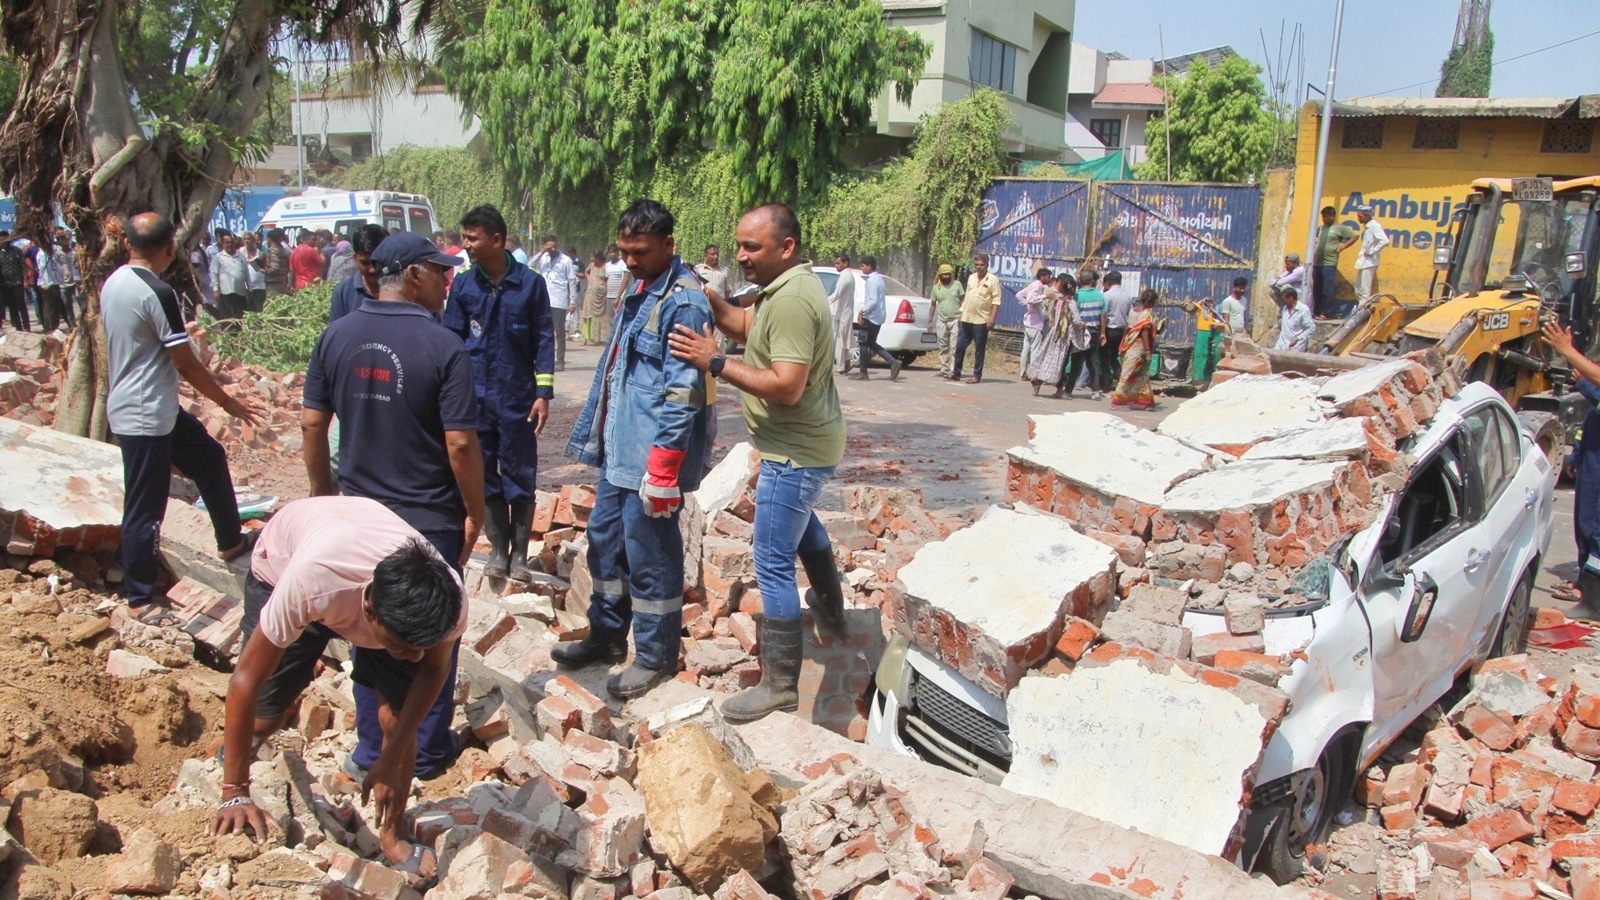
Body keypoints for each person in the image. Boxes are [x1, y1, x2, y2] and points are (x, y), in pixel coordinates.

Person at [210, 496, 465, 890]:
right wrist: (234, 792)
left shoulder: (445, 600)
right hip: (285, 563)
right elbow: (245, 678)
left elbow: (432, 668)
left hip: (360, 565)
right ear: (370, 611)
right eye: (402, 646)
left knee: (397, 723)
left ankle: (392, 836)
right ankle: (236, 762)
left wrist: (391, 756)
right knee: (264, 716)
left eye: (420, 646)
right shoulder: (309, 581)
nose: (413, 656)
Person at [667, 202, 845, 723]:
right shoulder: (784, 288)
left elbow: (787, 386)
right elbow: (748, 325)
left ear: (786, 247)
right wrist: (709, 298)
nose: (742, 256)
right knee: (800, 525)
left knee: (771, 560)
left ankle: (780, 686)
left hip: (795, 451)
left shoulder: (790, 301)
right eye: (739, 246)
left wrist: (714, 361)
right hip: (805, 444)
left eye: (753, 247)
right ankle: (831, 607)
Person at [555, 200, 713, 700]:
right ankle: (606, 636)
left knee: (651, 558)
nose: (629, 260)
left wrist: (664, 470)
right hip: (620, 451)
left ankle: (655, 656)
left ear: (669, 244)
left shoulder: (684, 303)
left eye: (640, 252)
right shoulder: (640, 286)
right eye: (624, 251)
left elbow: (683, 393)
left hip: (651, 460)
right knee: (605, 543)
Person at [103, 213, 257, 624]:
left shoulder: (114, 282)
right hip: (146, 415)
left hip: (153, 407)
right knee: (145, 507)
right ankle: (140, 598)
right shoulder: (157, 293)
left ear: (127, 245)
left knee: (209, 457)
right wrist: (227, 402)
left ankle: (230, 540)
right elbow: (184, 362)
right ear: (171, 248)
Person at [441, 207, 556, 583]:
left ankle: (519, 554)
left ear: (496, 240)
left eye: (472, 238)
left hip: (517, 397)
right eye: (464, 237)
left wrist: (543, 392)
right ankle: (498, 551)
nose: (466, 244)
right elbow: (452, 340)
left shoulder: (530, 284)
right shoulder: (463, 285)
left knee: (520, 471)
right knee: (484, 471)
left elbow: (544, 338)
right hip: (473, 398)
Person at [1542, 321, 1600, 621]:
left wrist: (1568, 352)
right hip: (1593, 456)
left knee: (1597, 530)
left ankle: (1594, 602)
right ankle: (1587, 587)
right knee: (1587, 523)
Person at [953, 252, 1001, 384]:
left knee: (979, 349)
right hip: (966, 318)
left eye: (981, 265)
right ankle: (956, 373)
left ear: (987, 265)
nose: (979, 267)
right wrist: (961, 314)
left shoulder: (992, 280)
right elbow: (967, 297)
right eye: (977, 265)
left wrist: (992, 318)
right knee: (960, 346)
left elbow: (996, 300)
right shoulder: (971, 278)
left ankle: (976, 375)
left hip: (981, 320)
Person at [532, 236, 577, 371]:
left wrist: (572, 302)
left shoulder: (565, 260)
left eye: (553, 246)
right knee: (544, 331)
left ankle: (560, 361)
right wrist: (541, 252)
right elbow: (530, 265)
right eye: (548, 246)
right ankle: (545, 359)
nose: (551, 249)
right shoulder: (543, 257)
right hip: (543, 299)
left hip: (559, 300)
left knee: (559, 332)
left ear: (558, 245)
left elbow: (572, 281)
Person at [852, 256, 900, 381]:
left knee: (863, 343)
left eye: (863, 266)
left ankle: (863, 372)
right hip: (878, 316)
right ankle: (892, 361)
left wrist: (862, 311)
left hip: (871, 317)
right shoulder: (878, 278)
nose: (861, 268)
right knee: (871, 343)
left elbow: (873, 300)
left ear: (869, 266)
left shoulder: (872, 281)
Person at [329, 225, 389, 324]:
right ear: (355, 258)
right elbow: (337, 330)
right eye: (365, 263)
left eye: (378, 262)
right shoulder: (343, 292)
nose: (372, 270)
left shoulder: (403, 288)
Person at [1111, 288, 1158, 410]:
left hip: (1129, 345)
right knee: (1129, 374)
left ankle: (1145, 400)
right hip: (1138, 347)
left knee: (1141, 373)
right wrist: (1148, 352)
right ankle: (1117, 401)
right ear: (1153, 301)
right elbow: (1144, 333)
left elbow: (1128, 328)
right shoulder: (1147, 314)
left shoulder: (1133, 311)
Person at [1025, 273, 1072, 397]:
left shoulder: (1059, 296)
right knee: (1054, 358)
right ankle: (1050, 383)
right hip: (1052, 329)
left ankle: (1039, 380)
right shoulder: (1050, 293)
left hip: (1053, 328)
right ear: (1059, 281)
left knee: (1047, 356)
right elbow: (1042, 309)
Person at [1313, 206, 1358, 319]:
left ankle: (1326, 313)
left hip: (1329, 263)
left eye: (1326, 216)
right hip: (1318, 263)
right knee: (1317, 288)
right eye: (1323, 217)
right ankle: (1316, 311)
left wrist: (1343, 247)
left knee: (1327, 289)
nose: (1324, 219)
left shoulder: (1339, 228)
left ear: (1332, 216)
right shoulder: (1321, 228)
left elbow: (1354, 237)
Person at [1072, 269, 1108, 399]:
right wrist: (1103, 333)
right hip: (1094, 332)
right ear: (1092, 281)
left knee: (1076, 361)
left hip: (1080, 332)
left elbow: (1074, 315)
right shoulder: (1101, 296)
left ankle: (1068, 389)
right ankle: (1096, 391)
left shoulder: (1077, 296)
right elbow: (1103, 316)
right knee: (1092, 361)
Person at [1016, 268, 1054, 382]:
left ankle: (1023, 372)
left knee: (1026, 348)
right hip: (1035, 322)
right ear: (1042, 277)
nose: (1049, 279)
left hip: (1029, 321)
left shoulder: (1034, 285)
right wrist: (1044, 297)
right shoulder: (1037, 286)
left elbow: (1019, 295)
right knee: (1035, 349)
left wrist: (1029, 306)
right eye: (1048, 277)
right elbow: (1031, 299)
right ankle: (1033, 374)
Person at [928, 264, 963, 380]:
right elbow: (933, 305)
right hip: (942, 320)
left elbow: (963, 301)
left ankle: (953, 370)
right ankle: (944, 369)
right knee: (943, 346)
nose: (947, 276)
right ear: (940, 275)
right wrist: (930, 321)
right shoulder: (936, 288)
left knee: (954, 347)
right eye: (944, 274)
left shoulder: (957, 285)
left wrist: (962, 316)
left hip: (955, 320)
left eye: (948, 274)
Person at [1099, 271, 1133, 393]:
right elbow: (1130, 315)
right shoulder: (1127, 296)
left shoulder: (1107, 296)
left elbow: (1103, 315)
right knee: (1114, 358)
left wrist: (1102, 333)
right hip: (1121, 331)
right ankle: (1123, 382)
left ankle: (1106, 387)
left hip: (1109, 330)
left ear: (1108, 282)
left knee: (1105, 360)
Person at [826, 255, 858, 375]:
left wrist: (823, 301)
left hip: (842, 313)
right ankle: (845, 364)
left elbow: (836, 294)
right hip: (844, 312)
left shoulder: (845, 277)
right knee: (844, 340)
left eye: (838, 263)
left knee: (840, 341)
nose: (836, 265)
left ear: (845, 263)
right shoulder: (847, 276)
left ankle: (840, 367)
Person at [1354, 204, 1389, 308]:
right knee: (1358, 289)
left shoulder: (1374, 226)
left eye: (1360, 216)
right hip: (1363, 261)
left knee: (1365, 292)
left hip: (1369, 262)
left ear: (1367, 215)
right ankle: (1361, 308)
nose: (1358, 218)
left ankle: (1361, 311)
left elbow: (1385, 241)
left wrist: (1372, 251)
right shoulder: (1368, 227)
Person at [210, 232, 249, 324]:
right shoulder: (219, 257)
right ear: (223, 244)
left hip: (240, 292)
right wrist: (215, 290)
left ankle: (239, 331)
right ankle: (228, 331)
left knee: (240, 317)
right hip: (225, 292)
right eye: (227, 242)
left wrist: (249, 288)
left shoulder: (241, 257)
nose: (229, 244)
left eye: (231, 242)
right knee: (226, 318)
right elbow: (214, 274)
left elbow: (247, 274)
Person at [34, 236, 67, 332]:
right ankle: (49, 327)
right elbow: (44, 270)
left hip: (54, 281)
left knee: (56, 305)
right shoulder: (42, 254)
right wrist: (46, 284)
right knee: (49, 306)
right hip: (47, 283)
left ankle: (54, 326)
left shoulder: (52, 252)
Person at [1190, 297, 1227, 384]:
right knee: (1202, 354)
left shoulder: (1216, 313)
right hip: (1203, 331)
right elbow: (1190, 308)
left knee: (1214, 355)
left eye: (1210, 304)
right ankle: (1199, 378)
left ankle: (1210, 378)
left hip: (1214, 332)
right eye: (1207, 304)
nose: (1209, 306)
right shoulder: (1201, 309)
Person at [580, 250, 610, 345]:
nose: (591, 258)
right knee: (587, 314)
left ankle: (599, 338)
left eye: (592, 257)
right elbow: (586, 272)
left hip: (601, 294)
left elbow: (609, 278)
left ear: (597, 257)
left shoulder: (607, 266)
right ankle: (585, 338)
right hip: (590, 293)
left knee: (600, 315)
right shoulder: (592, 265)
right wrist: (590, 280)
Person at [0, 231, 28, 332]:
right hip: (4, 285)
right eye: (1, 240)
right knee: (12, 307)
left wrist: (25, 280)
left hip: (17, 282)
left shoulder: (16, 250)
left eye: (5, 239)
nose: (4, 241)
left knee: (21, 305)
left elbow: (23, 266)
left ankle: (26, 327)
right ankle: (18, 328)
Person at [1273, 287, 1315, 352]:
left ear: (1290, 298)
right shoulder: (1285, 309)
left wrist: (1297, 338)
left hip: (1295, 348)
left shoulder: (1303, 310)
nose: (1283, 302)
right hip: (1281, 344)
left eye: (1284, 299)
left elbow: (1311, 328)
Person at [255, 229, 291, 296]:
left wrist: (262, 270)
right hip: (283, 282)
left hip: (274, 284)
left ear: (269, 239)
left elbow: (274, 268)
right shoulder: (286, 251)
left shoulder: (273, 251)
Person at [239, 231, 268, 313]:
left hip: (259, 287)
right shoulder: (239, 253)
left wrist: (261, 270)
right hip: (245, 287)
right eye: (245, 239)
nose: (247, 241)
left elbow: (267, 269)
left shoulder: (260, 254)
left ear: (253, 240)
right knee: (246, 310)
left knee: (258, 310)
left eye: (249, 239)